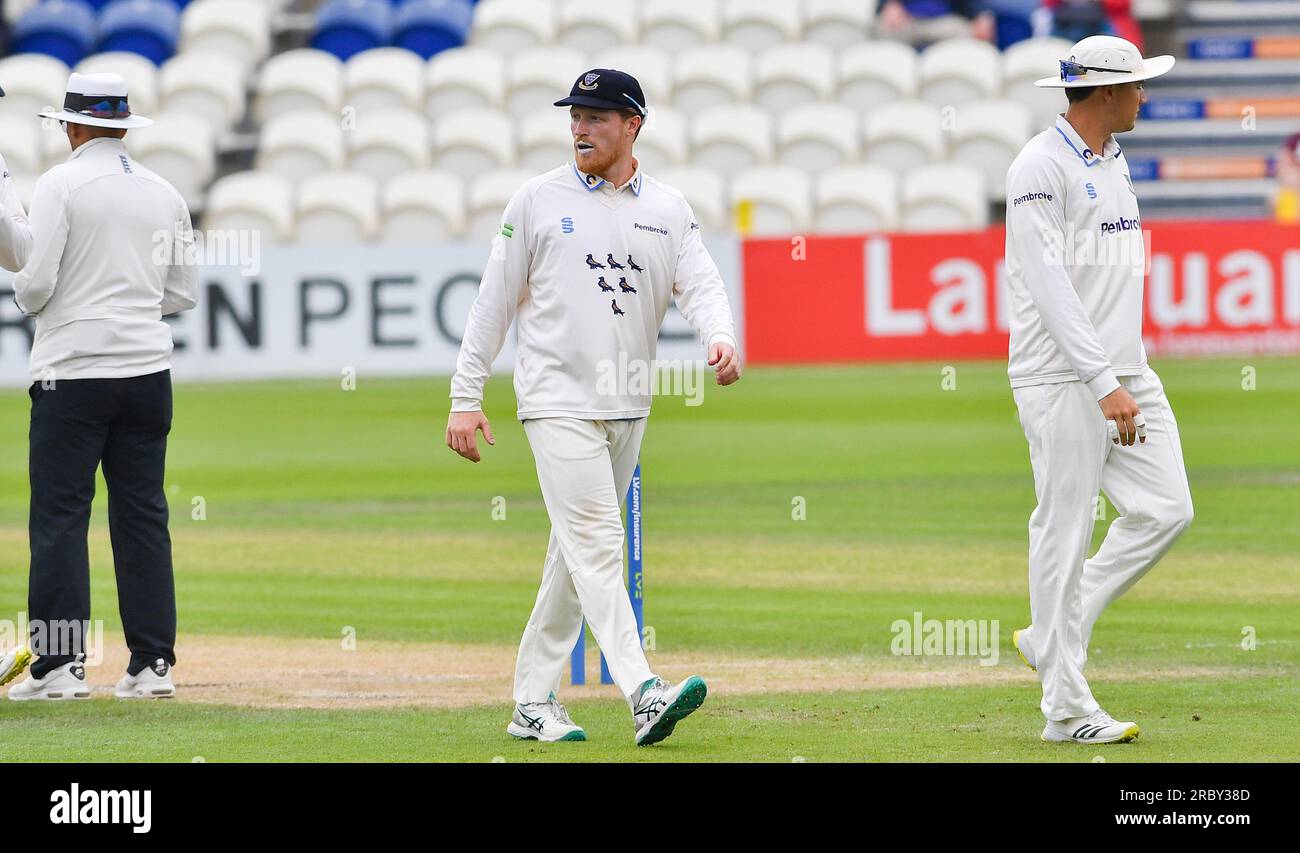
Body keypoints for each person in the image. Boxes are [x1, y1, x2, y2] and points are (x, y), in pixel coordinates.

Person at [446, 68, 741, 746]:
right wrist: (466, 398)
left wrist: (720, 338)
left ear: (633, 124)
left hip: (629, 402)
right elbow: (491, 305)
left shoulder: (666, 206)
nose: (580, 127)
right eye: (575, 115)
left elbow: (699, 281)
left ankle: (530, 702)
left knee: (573, 557)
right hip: (555, 399)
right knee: (601, 545)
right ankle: (642, 691)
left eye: (597, 116)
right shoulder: (536, 200)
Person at [1004, 37, 1193, 743]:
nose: (1145, 95)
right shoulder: (1038, 167)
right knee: (1064, 526)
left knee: (1167, 506)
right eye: (1137, 86)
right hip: (1063, 376)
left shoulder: (1112, 159)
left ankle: (1056, 630)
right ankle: (1066, 710)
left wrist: (1121, 374)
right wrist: (1102, 379)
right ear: (1106, 93)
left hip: (1124, 370)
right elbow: (1051, 288)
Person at [0, 72, 198, 700]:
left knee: (60, 516)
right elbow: (183, 293)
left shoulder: (61, 183)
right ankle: (152, 666)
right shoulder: (165, 191)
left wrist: (54, 299)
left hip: (72, 374)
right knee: (143, 515)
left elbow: (32, 285)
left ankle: (59, 666)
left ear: (72, 126)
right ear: (122, 125)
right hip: (147, 374)